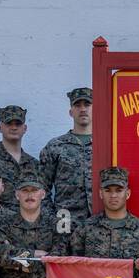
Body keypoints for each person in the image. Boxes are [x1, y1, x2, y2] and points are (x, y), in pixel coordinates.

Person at [39, 87, 94, 225]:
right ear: (71, 112)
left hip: (99, 224)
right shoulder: (55, 146)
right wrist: (52, 218)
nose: (82, 109)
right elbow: (41, 187)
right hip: (66, 222)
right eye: (77, 105)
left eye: (87, 104)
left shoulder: (107, 144)